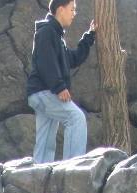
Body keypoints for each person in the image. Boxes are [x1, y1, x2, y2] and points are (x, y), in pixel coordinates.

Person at [25, 0, 96, 164]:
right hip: (45, 91)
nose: (74, 13)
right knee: (75, 118)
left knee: (46, 139)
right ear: (61, 9)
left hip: (40, 92)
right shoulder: (47, 32)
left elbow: (73, 58)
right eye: (72, 9)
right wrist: (59, 87)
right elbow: (45, 62)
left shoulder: (56, 36)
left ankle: (38, 175)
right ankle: (72, 168)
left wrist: (90, 35)